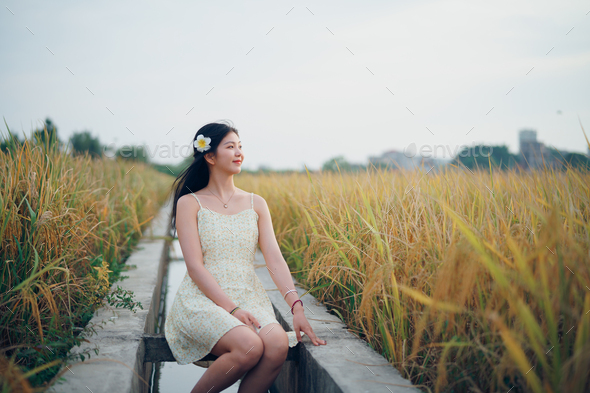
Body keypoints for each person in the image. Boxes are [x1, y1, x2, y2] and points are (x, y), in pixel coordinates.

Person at [165, 121, 327, 393]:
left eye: (240, 146)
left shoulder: (256, 203)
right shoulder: (189, 203)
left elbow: (274, 260)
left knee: (275, 345)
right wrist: (232, 309)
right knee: (249, 346)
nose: (239, 152)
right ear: (210, 156)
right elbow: (194, 266)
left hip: (249, 296)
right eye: (230, 146)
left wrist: (296, 308)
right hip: (203, 300)